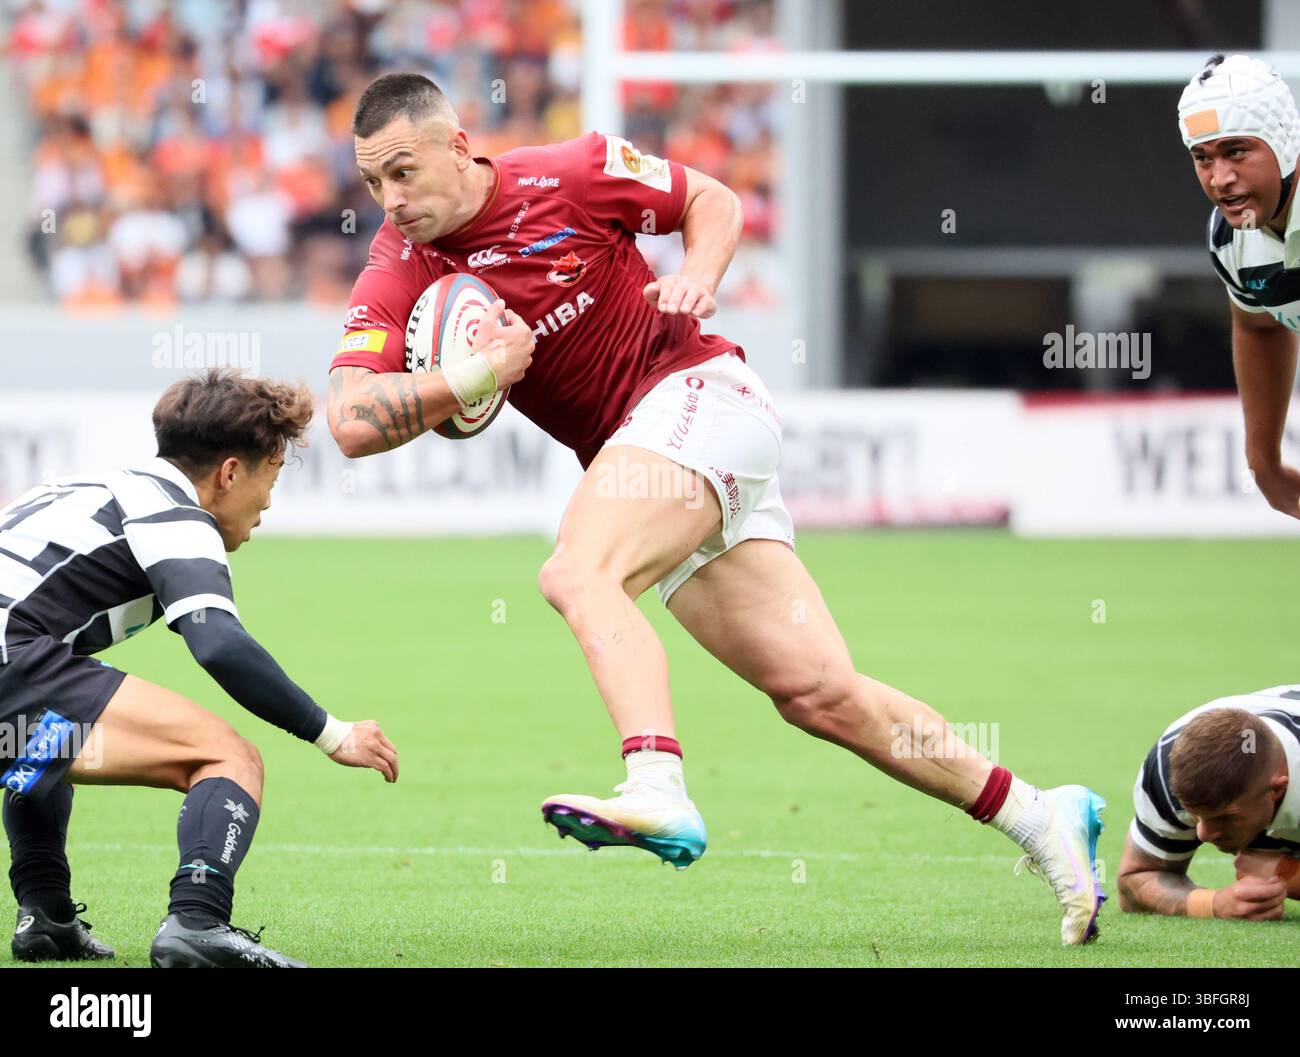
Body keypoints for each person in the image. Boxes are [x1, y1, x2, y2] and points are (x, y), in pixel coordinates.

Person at [327, 73, 1104, 944]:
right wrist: (471, 377)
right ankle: (1043, 815)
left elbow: (711, 198)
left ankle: (656, 786)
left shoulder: (571, 173)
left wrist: (696, 274)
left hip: (700, 394)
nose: (389, 201)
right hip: (657, 455)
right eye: (371, 183)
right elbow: (350, 421)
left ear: (458, 146)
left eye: (402, 171)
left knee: (579, 572)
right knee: (820, 693)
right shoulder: (400, 262)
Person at [0, 370, 398, 967]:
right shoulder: (174, 513)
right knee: (228, 756)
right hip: (12, 656)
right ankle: (198, 921)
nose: (268, 501)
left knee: (50, 737)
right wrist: (332, 733)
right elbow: (220, 645)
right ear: (231, 472)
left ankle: (47, 915)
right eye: (272, 475)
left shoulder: (88, 486)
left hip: (17, 663)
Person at [1180, 53, 1300, 520]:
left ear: (1285, 142)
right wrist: (1264, 463)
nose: (1220, 179)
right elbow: (1260, 328)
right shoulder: (1230, 240)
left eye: (1236, 151)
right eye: (1202, 158)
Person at [1118, 685, 1300, 920]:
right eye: (1196, 815)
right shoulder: (1169, 771)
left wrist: (1287, 874)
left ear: (1277, 789)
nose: (1204, 833)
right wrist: (1212, 904)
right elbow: (1133, 883)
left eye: (1226, 816)